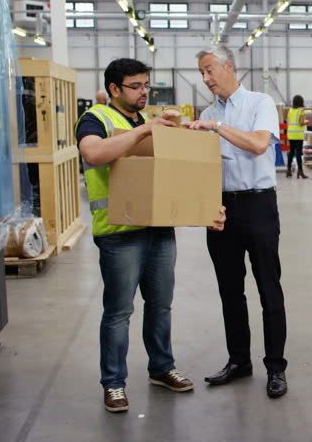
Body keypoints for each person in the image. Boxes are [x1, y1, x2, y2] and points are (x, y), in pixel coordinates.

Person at [75, 58, 226, 413]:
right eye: (136, 86)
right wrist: (145, 131)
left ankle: (161, 367)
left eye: (146, 85)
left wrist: (203, 209)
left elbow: (172, 176)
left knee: (160, 306)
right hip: (119, 233)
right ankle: (113, 383)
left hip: (158, 230)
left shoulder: (145, 121)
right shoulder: (97, 118)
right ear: (115, 89)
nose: (145, 92)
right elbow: (94, 153)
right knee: (119, 311)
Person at [184, 45, 288, 398]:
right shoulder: (207, 113)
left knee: (268, 289)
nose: (206, 78)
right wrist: (206, 208)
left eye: (210, 70)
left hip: (258, 206)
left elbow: (259, 145)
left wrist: (216, 126)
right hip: (222, 210)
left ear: (229, 67)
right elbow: (202, 170)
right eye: (201, 72)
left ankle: (275, 367)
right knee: (230, 291)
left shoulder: (260, 103)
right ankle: (239, 361)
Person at [285, 95, 308, 179]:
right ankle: (300, 171)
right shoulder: (301, 111)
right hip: (298, 135)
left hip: (291, 134)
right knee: (298, 154)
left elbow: (288, 121)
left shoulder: (290, 110)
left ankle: (288, 170)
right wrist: (307, 122)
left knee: (291, 153)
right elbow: (301, 122)